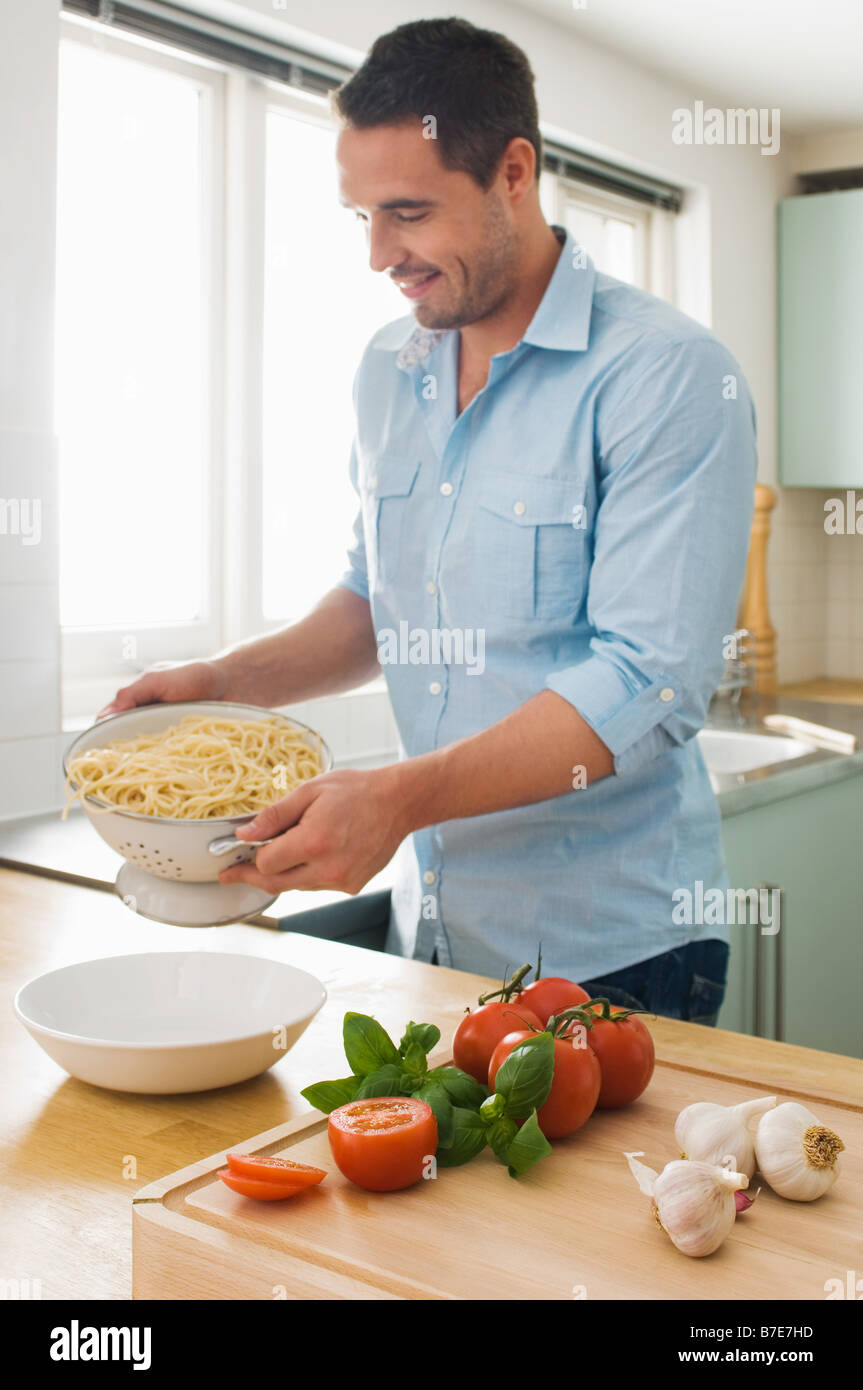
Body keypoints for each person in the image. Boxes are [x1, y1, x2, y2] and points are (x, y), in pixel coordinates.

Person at [101, 18, 757, 1023]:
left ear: (511, 172)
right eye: (360, 215)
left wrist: (398, 798)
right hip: (441, 935)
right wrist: (227, 681)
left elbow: (648, 682)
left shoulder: (664, 375)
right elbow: (379, 598)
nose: (377, 255)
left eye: (407, 212)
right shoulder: (388, 369)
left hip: (617, 951)